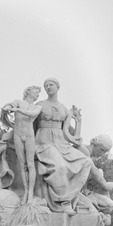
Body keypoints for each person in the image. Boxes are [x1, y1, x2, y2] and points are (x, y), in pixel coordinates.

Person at [32, 78, 99, 215]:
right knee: (60, 167)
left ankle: (71, 197)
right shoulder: (40, 105)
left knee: (85, 161)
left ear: (58, 87)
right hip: (44, 143)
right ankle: (62, 203)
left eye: (51, 85)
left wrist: (78, 121)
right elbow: (30, 124)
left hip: (61, 143)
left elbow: (73, 135)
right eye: (46, 86)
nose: (48, 87)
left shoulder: (63, 109)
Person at [0, 86, 42, 203]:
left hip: (29, 135)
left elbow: (32, 114)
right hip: (18, 135)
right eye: (36, 92)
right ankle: (26, 190)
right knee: (22, 164)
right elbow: (10, 105)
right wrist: (7, 108)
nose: (38, 94)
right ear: (28, 92)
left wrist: (17, 110)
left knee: (30, 164)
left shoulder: (37, 106)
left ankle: (31, 193)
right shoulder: (18, 102)